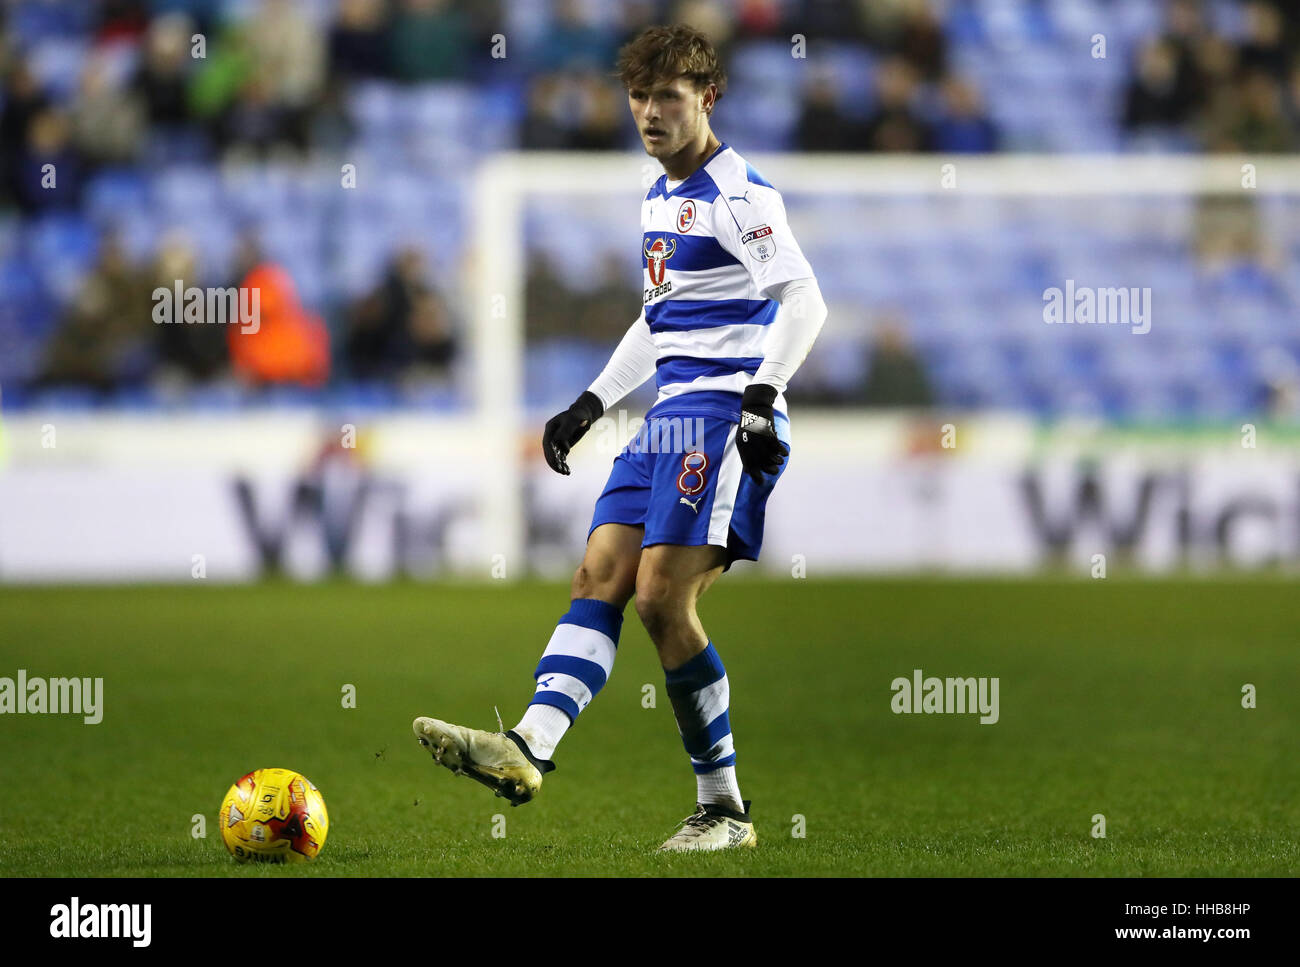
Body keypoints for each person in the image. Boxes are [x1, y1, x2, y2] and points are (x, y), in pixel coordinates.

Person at [413, 23, 827, 852]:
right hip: (666, 412)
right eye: (639, 96)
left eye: (668, 96)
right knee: (600, 573)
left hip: (722, 414)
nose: (649, 112)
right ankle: (527, 745)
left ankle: (725, 810)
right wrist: (592, 401)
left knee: (660, 597)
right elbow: (659, 317)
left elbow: (805, 298)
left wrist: (760, 393)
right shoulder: (656, 193)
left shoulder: (738, 195)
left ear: (706, 98)